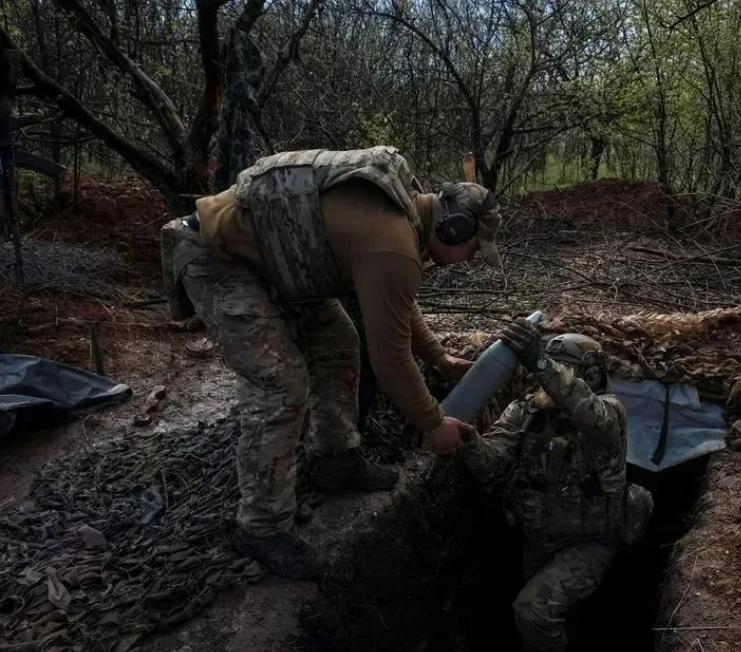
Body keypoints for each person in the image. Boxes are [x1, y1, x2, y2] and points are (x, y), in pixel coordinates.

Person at [160, 147, 499, 579]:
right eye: (474, 249)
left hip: (276, 267)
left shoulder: (404, 216)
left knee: (340, 343)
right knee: (280, 382)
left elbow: (394, 303)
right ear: (453, 229)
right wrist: (434, 424)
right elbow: (390, 359)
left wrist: (438, 356)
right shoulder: (393, 244)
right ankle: (261, 526)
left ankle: (335, 458)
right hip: (217, 259)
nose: (471, 259)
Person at [459, 320, 628, 651]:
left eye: (564, 369)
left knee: (533, 612)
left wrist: (539, 359)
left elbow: (588, 411)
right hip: (536, 540)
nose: (551, 377)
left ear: (590, 376)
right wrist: (468, 441)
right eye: (552, 368)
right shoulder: (525, 411)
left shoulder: (609, 412)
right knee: (551, 615)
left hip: (588, 544)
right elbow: (491, 462)